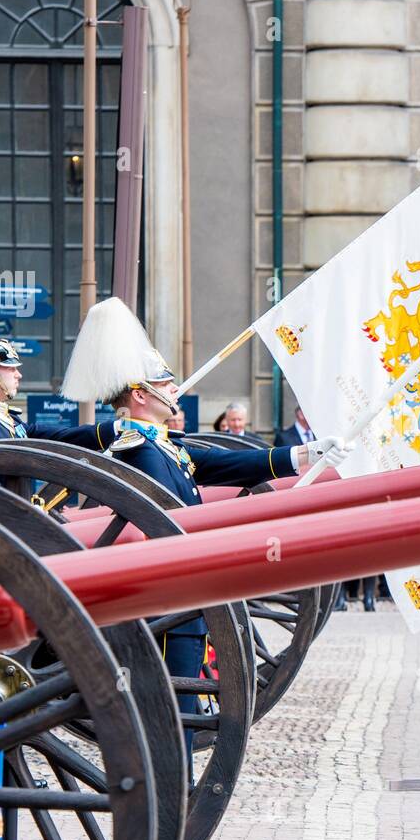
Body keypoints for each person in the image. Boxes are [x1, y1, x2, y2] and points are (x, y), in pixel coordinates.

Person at [60, 296, 351, 775]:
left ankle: (173, 781)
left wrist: (304, 456)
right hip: (165, 602)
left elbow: (222, 463)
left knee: (184, 707)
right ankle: (168, 787)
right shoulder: (137, 449)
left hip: (183, 599)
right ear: (139, 395)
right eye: (164, 383)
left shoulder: (159, 445)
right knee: (173, 708)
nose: (174, 388)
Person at [0, 298, 121, 481]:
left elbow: (55, 438)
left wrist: (111, 429)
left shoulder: (4, 418)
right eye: (11, 368)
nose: (18, 375)